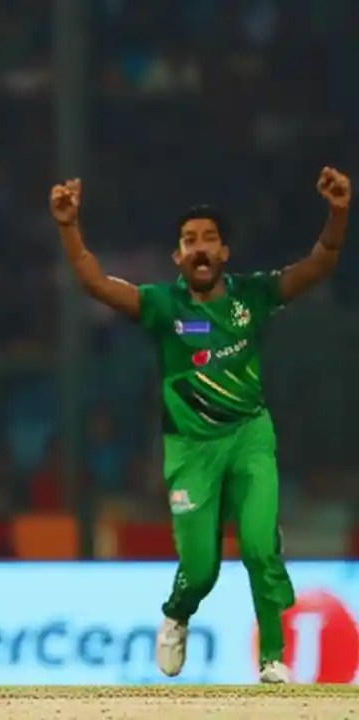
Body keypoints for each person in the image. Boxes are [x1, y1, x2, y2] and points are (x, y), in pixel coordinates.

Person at [49, 167, 351, 684]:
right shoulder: (163, 306)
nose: (201, 247)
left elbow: (320, 263)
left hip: (250, 436)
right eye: (190, 240)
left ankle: (273, 658)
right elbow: (93, 282)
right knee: (202, 567)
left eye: (210, 238)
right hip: (191, 449)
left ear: (224, 252)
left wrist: (339, 213)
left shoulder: (252, 296)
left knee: (259, 545)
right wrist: (68, 227)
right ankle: (177, 613)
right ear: (178, 257)